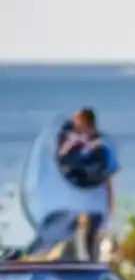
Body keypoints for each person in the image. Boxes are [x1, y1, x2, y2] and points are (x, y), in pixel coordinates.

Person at [38, 107, 119, 261]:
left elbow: (109, 177)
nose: (74, 125)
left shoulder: (101, 145)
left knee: (91, 236)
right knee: (74, 235)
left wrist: (110, 211)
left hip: (94, 200)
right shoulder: (74, 142)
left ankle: (90, 265)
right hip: (75, 200)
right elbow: (61, 162)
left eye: (78, 121)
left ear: (85, 122)